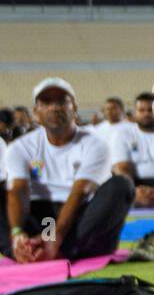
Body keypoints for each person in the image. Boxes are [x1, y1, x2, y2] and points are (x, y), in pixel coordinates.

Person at [2, 78, 132, 263]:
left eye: (62, 101)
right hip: (42, 219)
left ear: (74, 109)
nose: (55, 107)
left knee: (121, 185)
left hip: (80, 220)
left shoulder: (95, 145)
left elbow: (80, 192)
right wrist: (17, 233)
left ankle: (60, 250)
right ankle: (21, 249)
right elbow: (17, 190)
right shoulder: (20, 147)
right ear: (36, 112)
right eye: (46, 102)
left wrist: (55, 238)